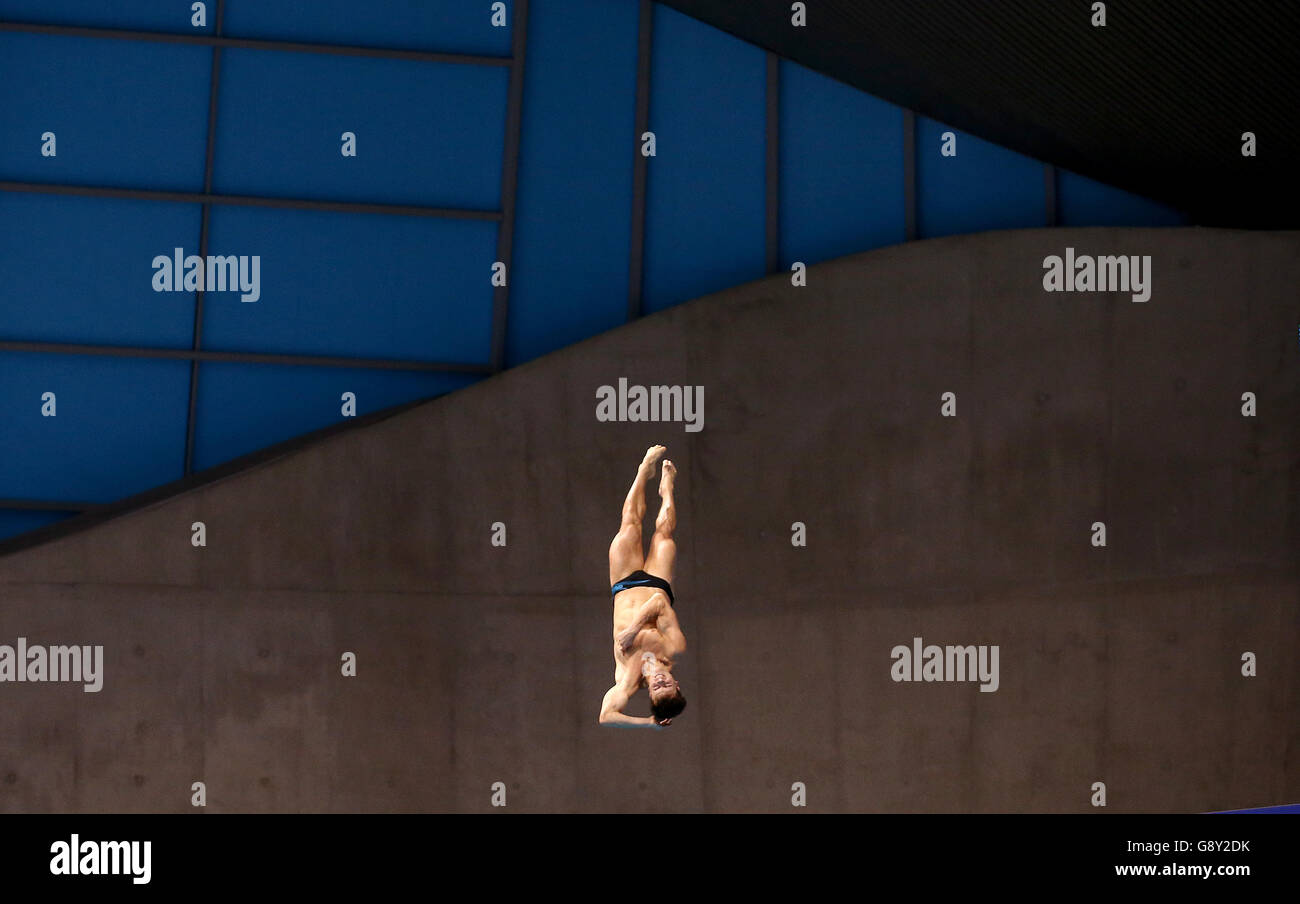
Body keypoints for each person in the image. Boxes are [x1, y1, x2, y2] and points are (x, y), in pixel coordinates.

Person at [599, 445, 687, 728]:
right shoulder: (674, 648)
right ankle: (666, 486)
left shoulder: (626, 678)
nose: (661, 681)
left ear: (649, 691)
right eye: (668, 685)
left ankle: (641, 470)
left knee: (629, 524)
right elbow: (659, 602)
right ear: (677, 684)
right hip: (657, 584)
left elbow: (606, 717)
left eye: (657, 688)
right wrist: (635, 630)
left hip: (624, 584)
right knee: (664, 532)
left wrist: (649, 724)